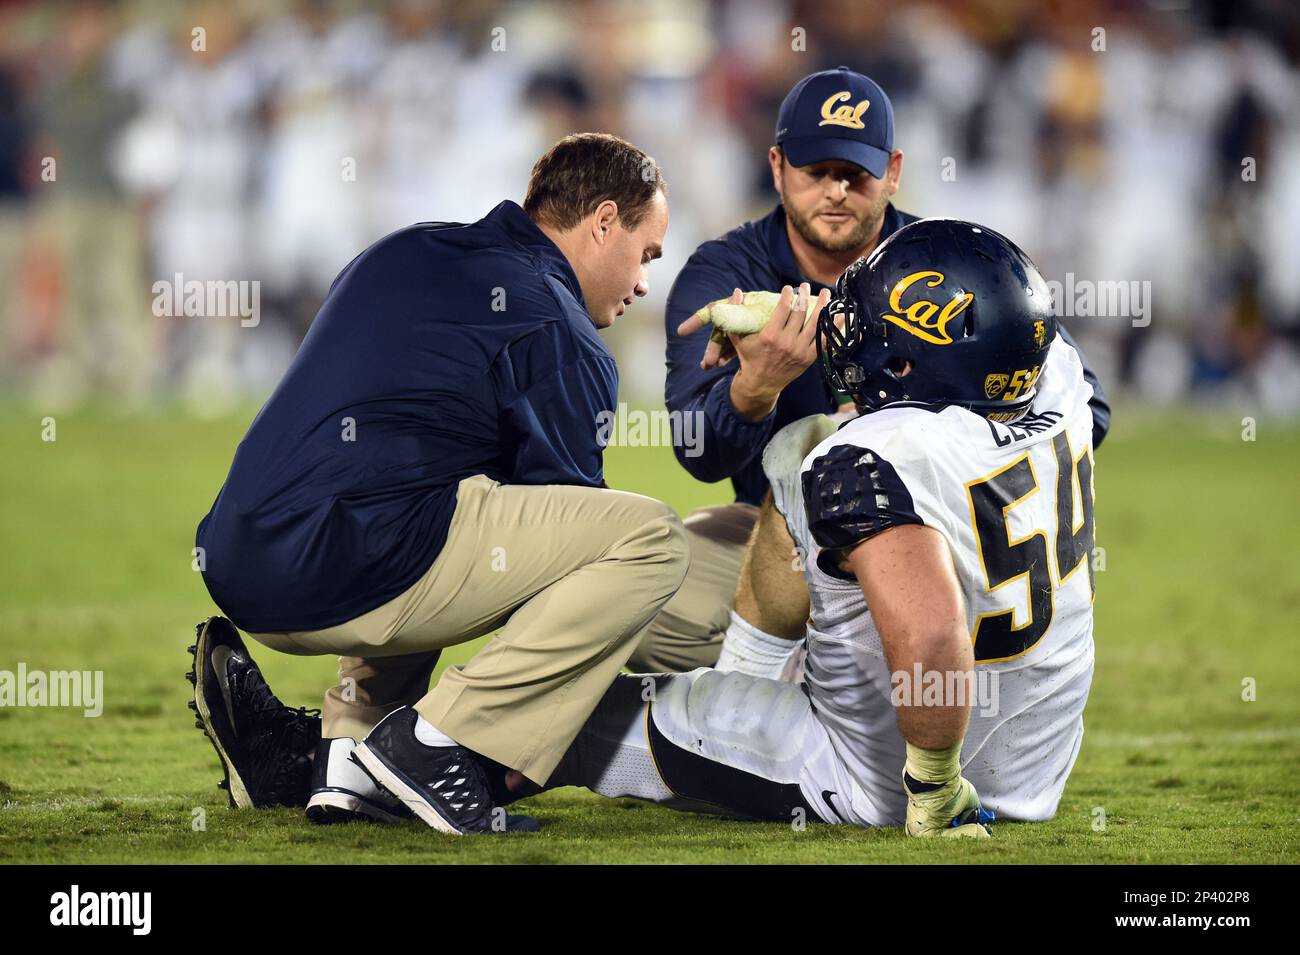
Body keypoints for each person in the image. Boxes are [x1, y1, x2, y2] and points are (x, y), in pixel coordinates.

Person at [523, 218, 1097, 837]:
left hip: (885, 767)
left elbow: (932, 635)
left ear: (910, 360)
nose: (853, 338)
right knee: (804, 446)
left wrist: (933, 785)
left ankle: (422, 753)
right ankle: (750, 676)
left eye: (870, 328)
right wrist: (786, 319)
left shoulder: (873, 458)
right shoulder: (1056, 383)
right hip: (1033, 764)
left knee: (560, 712)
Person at [188, 133, 685, 835]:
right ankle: (435, 741)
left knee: (432, 480)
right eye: (647, 255)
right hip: (360, 557)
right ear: (603, 222)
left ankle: (347, 752)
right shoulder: (556, 324)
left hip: (238, 555)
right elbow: (562, 571)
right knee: (653, 539)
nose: (642, 284)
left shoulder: (401, 249)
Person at [630, 67, 1110, 678]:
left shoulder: (952, 261)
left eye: (855, 175)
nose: (835, 192)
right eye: (815, 172)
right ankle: (781, 688)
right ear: (776, 167)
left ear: (893, 171)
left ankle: (809, 694)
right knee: (639, 598)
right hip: (780, 545)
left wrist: (910, 429)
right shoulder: (726, 272)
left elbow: (1086, 408)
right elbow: (698, 451)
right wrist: (756, 387)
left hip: (940, 540)